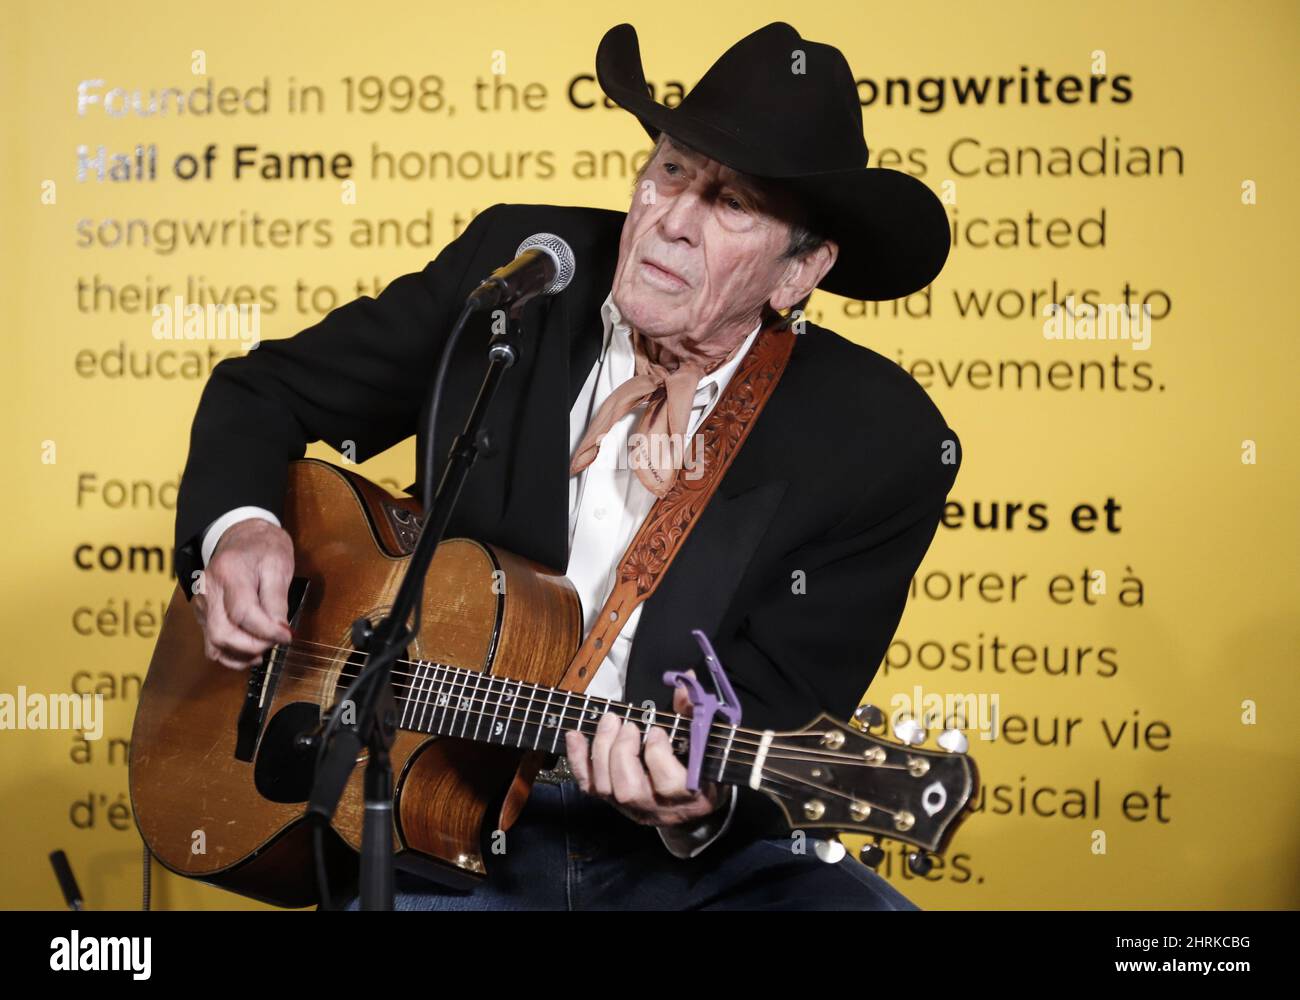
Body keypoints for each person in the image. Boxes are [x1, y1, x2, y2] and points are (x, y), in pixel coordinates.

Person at [173, 21, 960, 910]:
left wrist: (694, 809)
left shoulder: (879, 441)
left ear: (800, 269)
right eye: (671, 171)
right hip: (441, 808)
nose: (673, 220)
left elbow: (776, 717)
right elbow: (264, 392)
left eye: (732, 203)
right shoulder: (522, 274)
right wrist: (239, 531)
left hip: (687, 866)